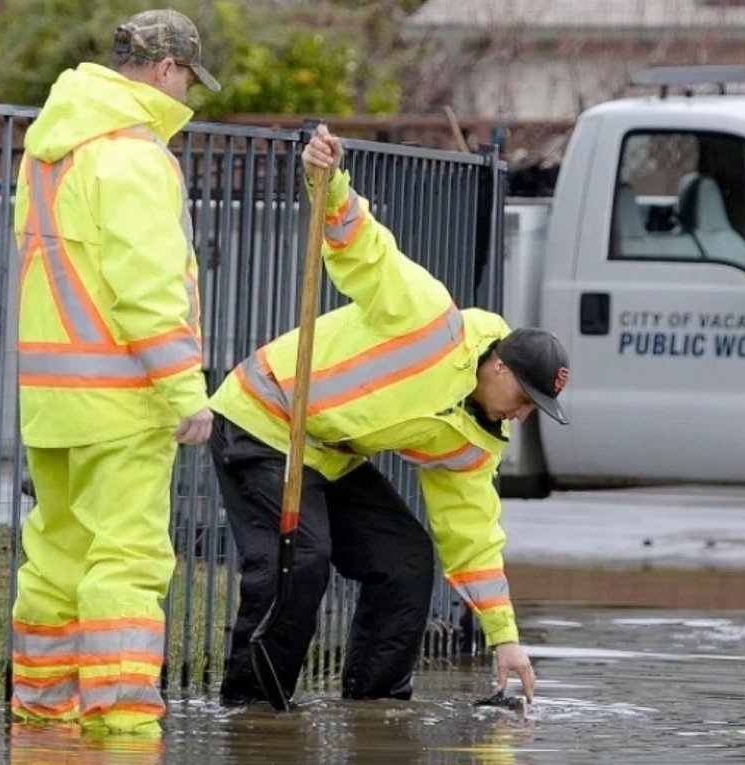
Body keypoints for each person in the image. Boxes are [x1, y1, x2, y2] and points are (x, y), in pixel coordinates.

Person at [207, 124, 569, 707]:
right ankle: (253, 707)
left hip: (329, 450)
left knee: (403, 560)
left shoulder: (475, 445)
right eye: (527, 401)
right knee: (301, 559)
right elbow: (363, 247)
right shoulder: (428, 317)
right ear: (499, 369)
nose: (524, 417)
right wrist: (327, 181)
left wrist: (506, 640)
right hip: (265, 416)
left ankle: (374, 708)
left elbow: (472, 540)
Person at [8, 8, 222, 733]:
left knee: (55, 555)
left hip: (52, 394)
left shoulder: (50, 148)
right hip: (123, 397)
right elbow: (147, 284)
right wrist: (184, 390)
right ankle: (120, 723)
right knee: (126, 561)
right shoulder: (132, 155)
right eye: (189, 78)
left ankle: (42, 713)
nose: (191, 96)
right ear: (166, 69)